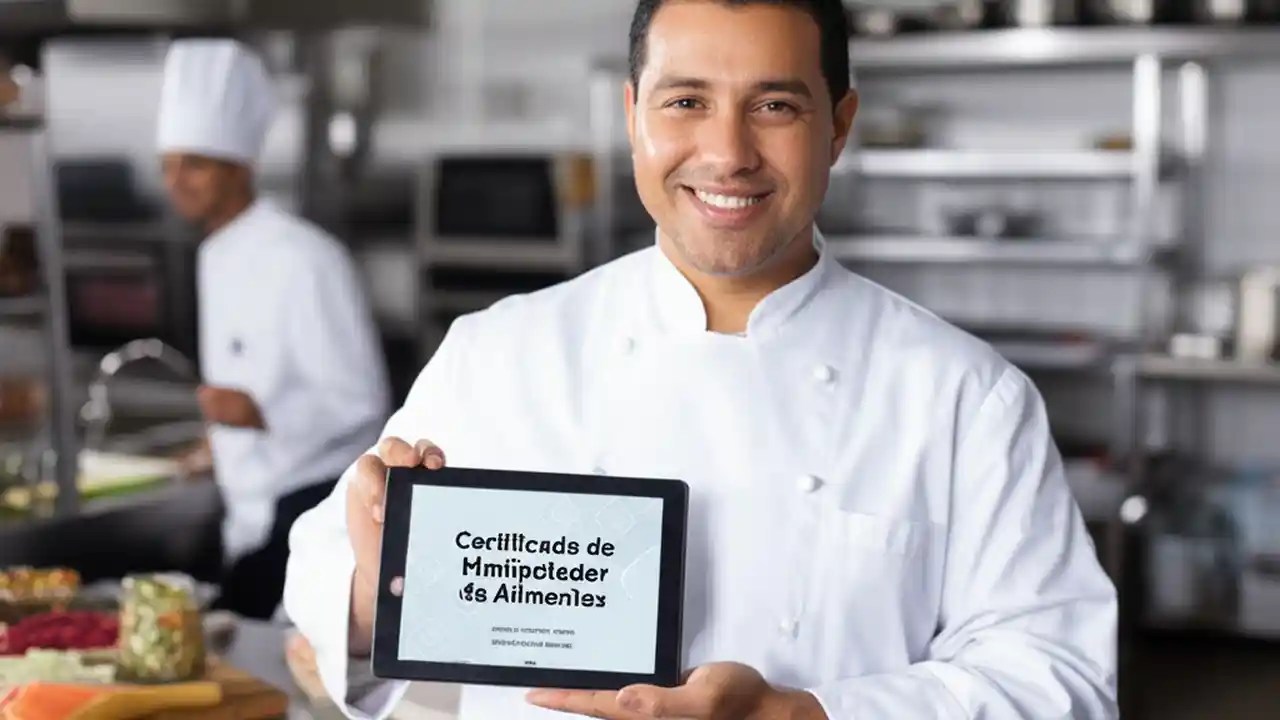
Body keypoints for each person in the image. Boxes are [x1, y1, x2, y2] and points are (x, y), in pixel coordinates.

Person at [285, 0, 1118, 717]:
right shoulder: (499, 354)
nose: (727, 153)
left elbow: (1061, 679)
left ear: (840, 125)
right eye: (685, 101)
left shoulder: (966, 396)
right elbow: (324, 583)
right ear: (632, 115)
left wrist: (810, 714)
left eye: (776, 107)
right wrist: (374, 583)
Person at [156, 38, 389, 620]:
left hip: (305, 516)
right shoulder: (214, 253)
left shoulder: (305, 258)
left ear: (241, 167)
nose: (176, 181)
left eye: (195, 165)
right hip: (245, 513)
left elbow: (362, 402)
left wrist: (260, 415)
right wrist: (216, 445)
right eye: (169, 166)